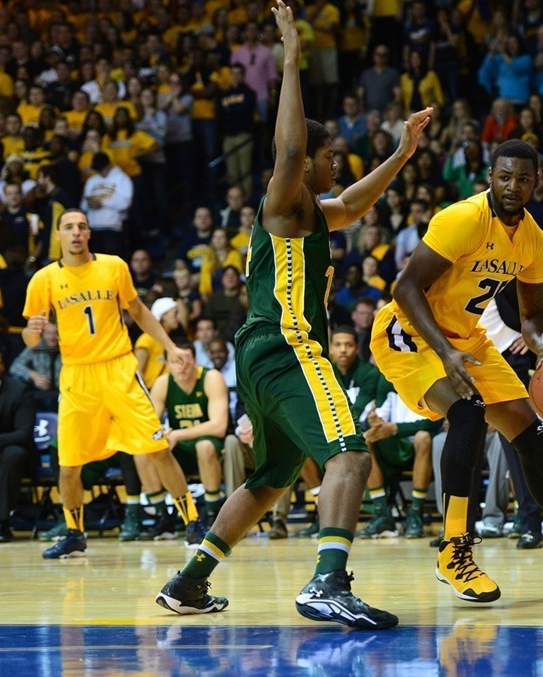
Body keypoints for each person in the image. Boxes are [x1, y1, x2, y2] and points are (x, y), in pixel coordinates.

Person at [156, 2, 432, 629]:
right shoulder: (282, 199)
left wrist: (402, 153)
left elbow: (355, 205)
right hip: (287, 347)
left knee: (271, 478)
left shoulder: (309, 214)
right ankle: (326, 582)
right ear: (307, 161)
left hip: (261, 356)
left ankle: (189, 581)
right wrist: (292, 55)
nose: (337, 164)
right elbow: (287, 145)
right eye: (329, 156)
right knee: (351, 456)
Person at [370, 138, 543, 604]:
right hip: (409, 332)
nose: (513, 186)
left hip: (465, 337)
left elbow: (534, 319)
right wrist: (445, 352)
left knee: (532, 434)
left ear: (536, 183)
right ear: (490, 178)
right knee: (468, 413)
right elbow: (406, 287)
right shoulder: (462, 218)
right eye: (504, 176)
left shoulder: (535, 240)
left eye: (523, 178)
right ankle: (453, 550)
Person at [22, 209, 205, 559]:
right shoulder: (43, 279)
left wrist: (169, 346)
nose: (76, 233)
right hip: (77, 375)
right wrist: (32, 334)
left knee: (158, 449)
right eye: (69, 228)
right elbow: (32, 340)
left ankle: (192, 522)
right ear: (58, 236)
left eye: (82, 227)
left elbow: (138, 311)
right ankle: (75, 533)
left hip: (119, 368)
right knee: (68, 464)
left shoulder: (113, 266)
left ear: (89, 233)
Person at [150, 342, 230, 527]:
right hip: (180, 449)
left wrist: (177, 434)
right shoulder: (163, 383)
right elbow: (150, 424)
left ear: (195, 360)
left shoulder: (211, 377)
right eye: (175, 362)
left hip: (210, 445)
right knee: (145, 449)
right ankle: (162, 516)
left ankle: (212, 512)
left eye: (186, 361)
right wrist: (162, 431)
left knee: (204, 446)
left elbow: (219, 426)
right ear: (167, 364)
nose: (182, 367)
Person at [357, 373, 443, 540]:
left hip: (419, 446)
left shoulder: (427, 373)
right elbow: (381, 413)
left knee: (423, 437)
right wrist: (374, 422)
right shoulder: (387, 375)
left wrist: (396, 428)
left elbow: (433, 422)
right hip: (392, 442)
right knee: (366, 439)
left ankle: (415, 513)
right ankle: (382, 513)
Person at [0, 347, 35, 543]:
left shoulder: (19, 391)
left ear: (3, 367)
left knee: (14, 454)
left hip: (6, 455)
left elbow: (24, 433)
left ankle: (2, 522)